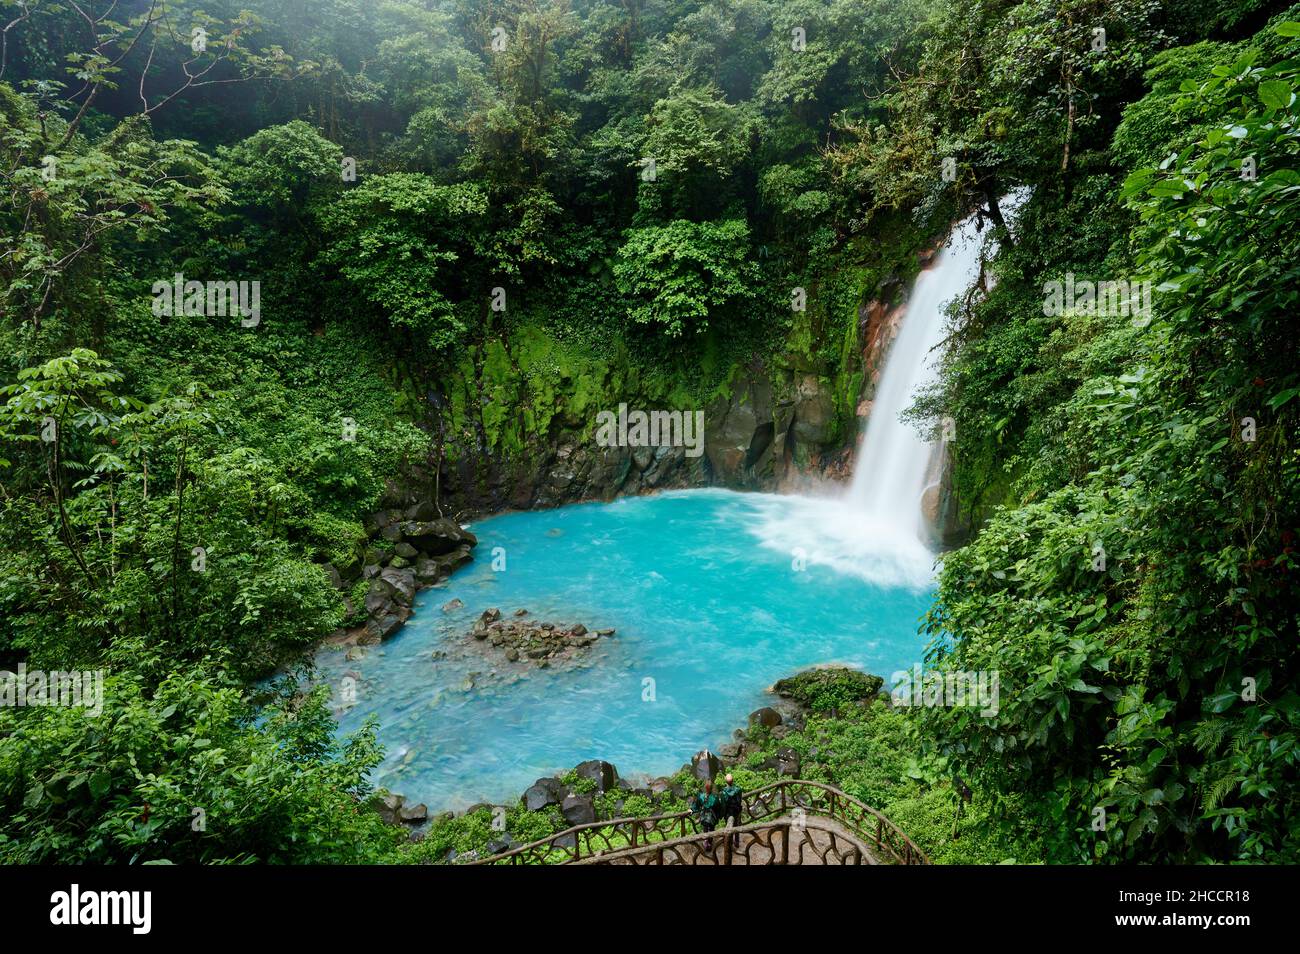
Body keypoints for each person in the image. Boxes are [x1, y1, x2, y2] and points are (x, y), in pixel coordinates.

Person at [690, 780, 720, 850]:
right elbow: (718, 808)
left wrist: (691, 809)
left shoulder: (701, 796)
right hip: (712, 817)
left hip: (704, 817)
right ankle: (710, 843)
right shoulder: (715, 798)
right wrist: (718, 816)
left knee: (705, 829)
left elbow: (696, 806)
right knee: (712, 830)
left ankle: (706, 842)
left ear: (705, 788)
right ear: (712, 788)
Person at [719, 773, 743, 847]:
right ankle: (737, 842)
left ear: (726, 782)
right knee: (736, 826)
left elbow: (723, 805)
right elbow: (739, 801)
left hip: (728, 813)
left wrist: (722, 814)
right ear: (733, 781)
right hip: (736, 811)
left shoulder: (723, 793)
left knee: (729, 826)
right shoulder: (738, 790)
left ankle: (730, 842)